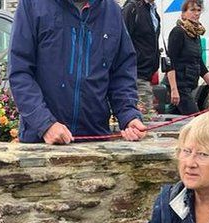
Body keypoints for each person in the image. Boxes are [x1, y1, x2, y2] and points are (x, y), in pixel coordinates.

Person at [9, 0, 148, 144]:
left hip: (94, 141)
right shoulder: (32, 4)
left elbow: (121, 74)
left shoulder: (112, 11)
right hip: (40, 142)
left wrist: (129, 116)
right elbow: (20, 72)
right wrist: (45, 124)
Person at [165, 0, 209, 116]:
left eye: (198, 10)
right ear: (183, 14)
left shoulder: (195, 34)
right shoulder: (178, 32)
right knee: (196, 119)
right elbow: (170, 62)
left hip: (189, 85)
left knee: (175, 120)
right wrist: (174, 90)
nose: (196, 13)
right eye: (192, 10)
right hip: (179, 86)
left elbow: (199, 63)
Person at [122, 0, 162, 116]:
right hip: (135, 74)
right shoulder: (132, 9)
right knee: (145, 121)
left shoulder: (153, 12)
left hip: (147, 75)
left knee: (146, 120)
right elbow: (122, 41)